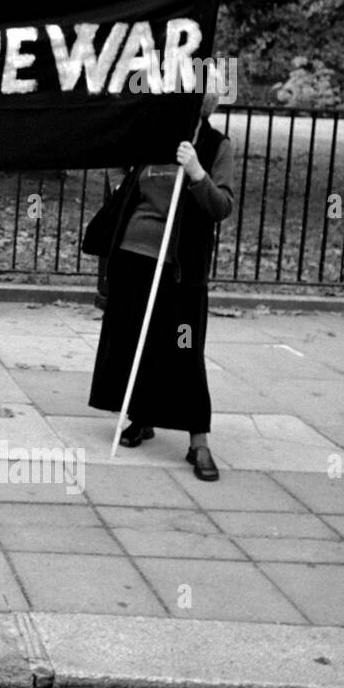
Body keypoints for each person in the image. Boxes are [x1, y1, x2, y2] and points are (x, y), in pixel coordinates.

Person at [87, 90, 233, 482]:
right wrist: (120, 186)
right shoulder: (154, 136)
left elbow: (221, 207)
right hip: (134, 255)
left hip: (180, 268)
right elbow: (115, 159)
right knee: (135, 340)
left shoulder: (216, 146)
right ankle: (141, 416)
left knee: (185, 347)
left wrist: (198, 173)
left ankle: (198, 440)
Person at [96, 0, 208, 309]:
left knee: (121, 149)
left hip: (122, 40)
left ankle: (112, 270)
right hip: (145, 39)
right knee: (147, 132)